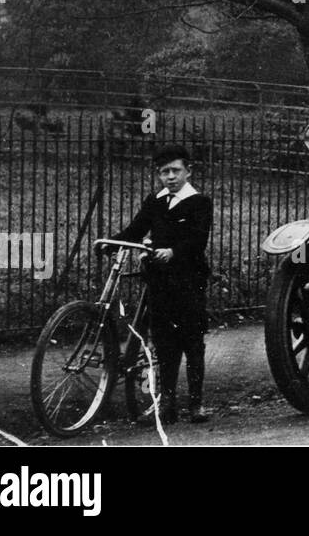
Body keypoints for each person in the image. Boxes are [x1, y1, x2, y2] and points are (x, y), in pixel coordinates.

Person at [113, 146, 213, 423]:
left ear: (188, 171)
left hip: (189, 280)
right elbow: (136, 229)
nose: (170, 177)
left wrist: (173, 252)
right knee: (164, 342)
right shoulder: (155, 201)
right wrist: (111, 242)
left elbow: (197, 240)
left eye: (176, 171)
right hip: (160, 280)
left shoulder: (199, 202)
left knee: (192, 340)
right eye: (164, 172)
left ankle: (196, 403)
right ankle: (167, 404)